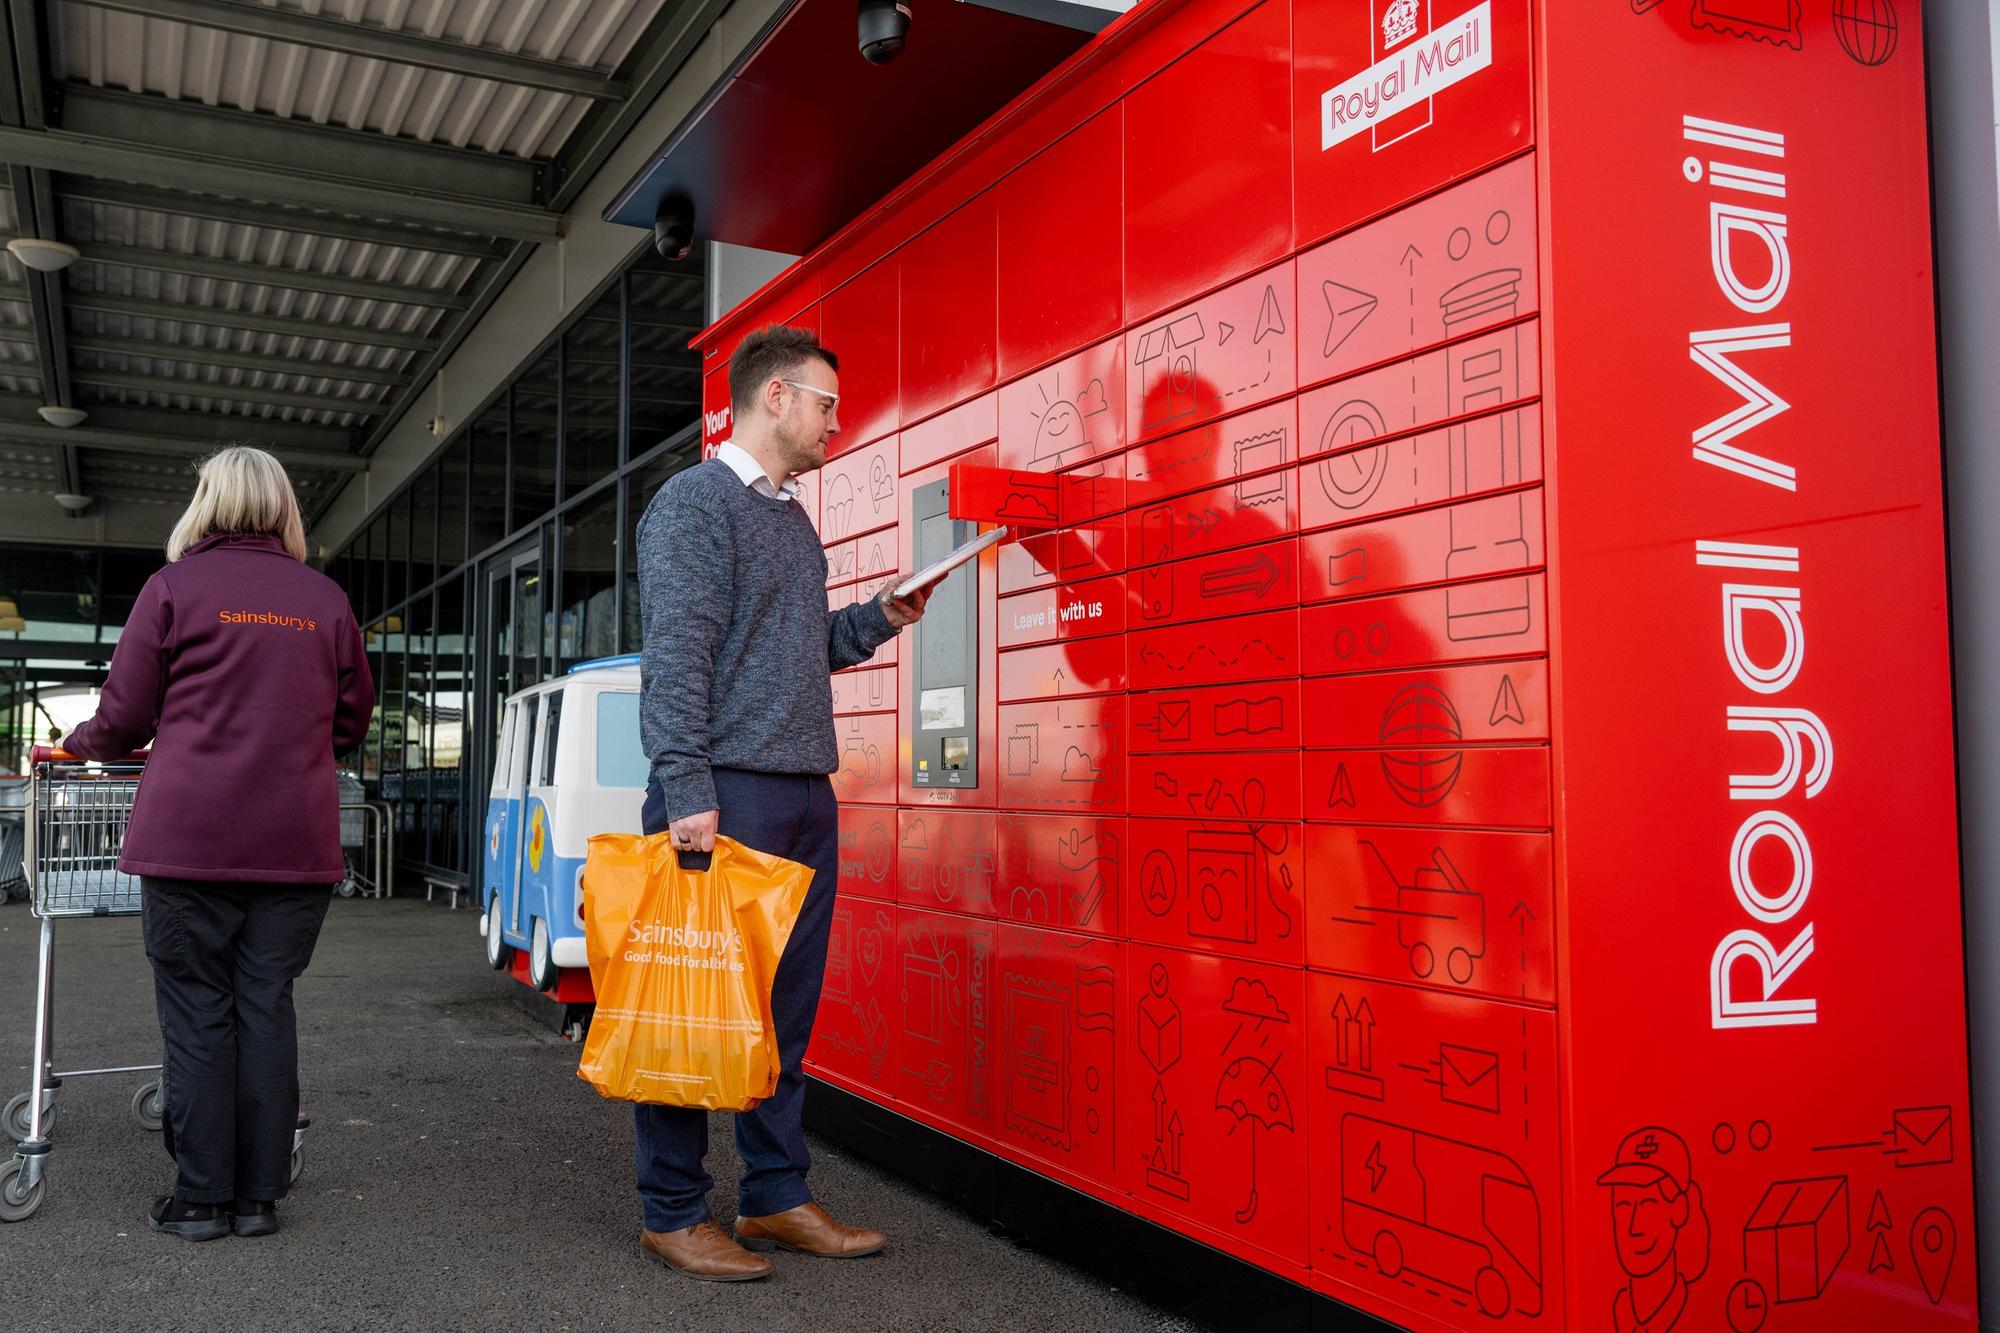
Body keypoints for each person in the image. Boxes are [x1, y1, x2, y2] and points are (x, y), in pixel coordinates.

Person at [635, 325, 930, 1281]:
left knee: (781, 1014)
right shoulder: (695, 503)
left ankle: (772, 1193)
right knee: (693, 1004)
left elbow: (796, 651)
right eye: (826, 402)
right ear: (774, 397)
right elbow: (676, 658)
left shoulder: (793, 519)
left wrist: (877, 618)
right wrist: (687, 789)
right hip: (723, 794)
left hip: (803, 791)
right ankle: (672, 1210)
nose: (836, 421)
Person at [62, 446, 373, 1242]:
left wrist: (76, 743)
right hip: (295, 841)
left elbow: (123, 716)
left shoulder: (173, 588)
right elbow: (349, 721)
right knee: (265, 1003)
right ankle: (258, 1197)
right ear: (284, 508)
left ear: (206, 502)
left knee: (199, 1008)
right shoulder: (325, 600)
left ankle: (201, 1198)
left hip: (189, 839)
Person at [1597, 1126, 1710, 1332]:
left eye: (1648, 1206)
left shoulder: (1700, 1314)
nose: (1633, 1227)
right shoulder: (1617, 1312)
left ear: (1679, 1210)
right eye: (1623, 1206)